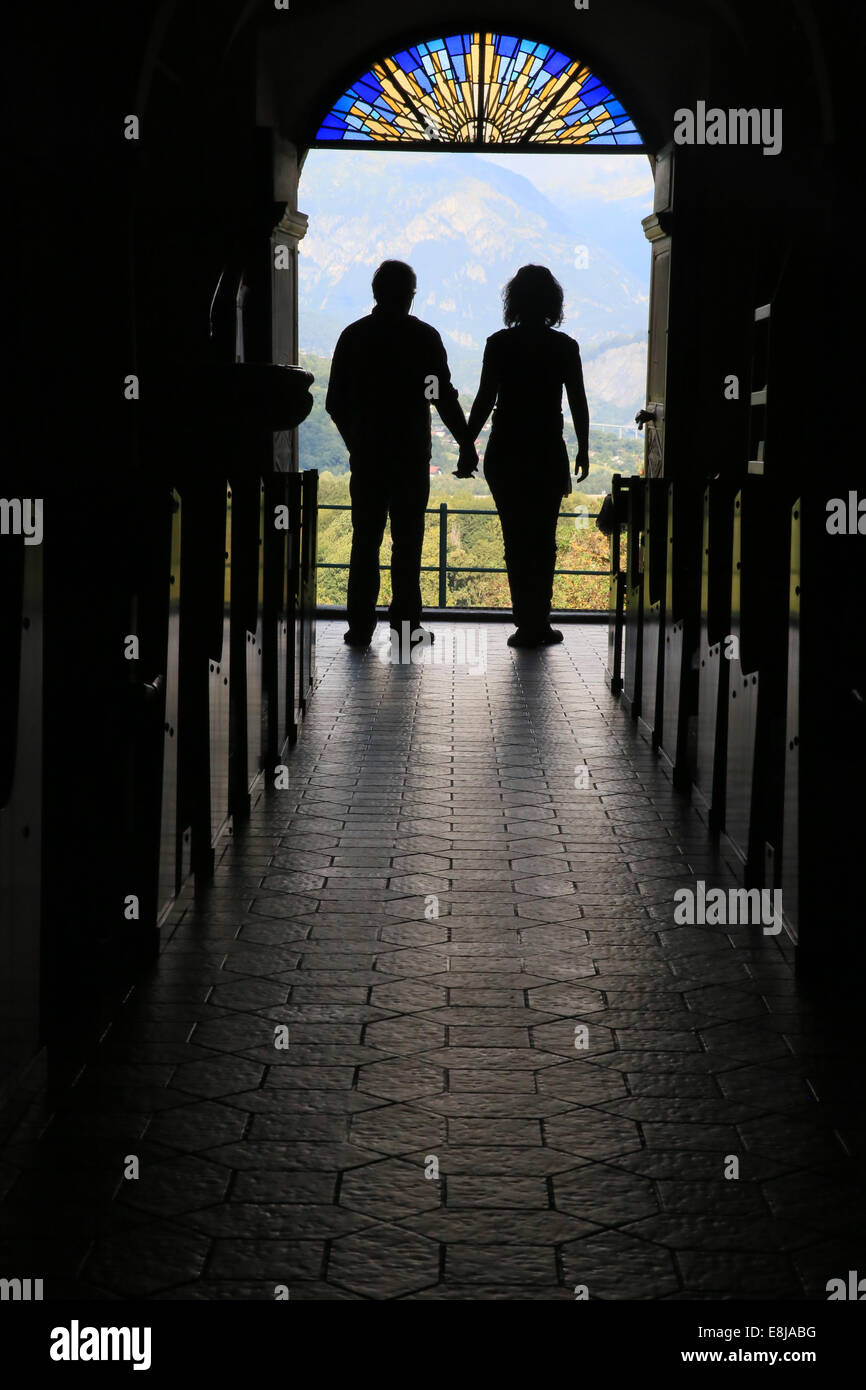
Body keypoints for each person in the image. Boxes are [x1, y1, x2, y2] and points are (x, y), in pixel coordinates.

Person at [326, 260, 477, 649]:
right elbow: (441, 397)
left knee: (365, 542)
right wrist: (465, 443)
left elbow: (334, 403)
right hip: (411, 458)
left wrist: (355, 443)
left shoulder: (353, 336)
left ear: (376, 293)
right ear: (409, 295)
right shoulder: (424, 337)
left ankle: (359, 627)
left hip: (368, 458)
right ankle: (406, 629)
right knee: (407, 543)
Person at [460, 265, 590, 648]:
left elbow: (485, 400)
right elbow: (578, 401)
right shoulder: (564, 347)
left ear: (513, 300)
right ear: (554, 302)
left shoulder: (498, 344)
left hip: (507, 449)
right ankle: (539, 620)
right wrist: (583, 447)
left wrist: (469, 445)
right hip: (547, 449)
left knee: (515, 538)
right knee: (542, 540)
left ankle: (524, 621)